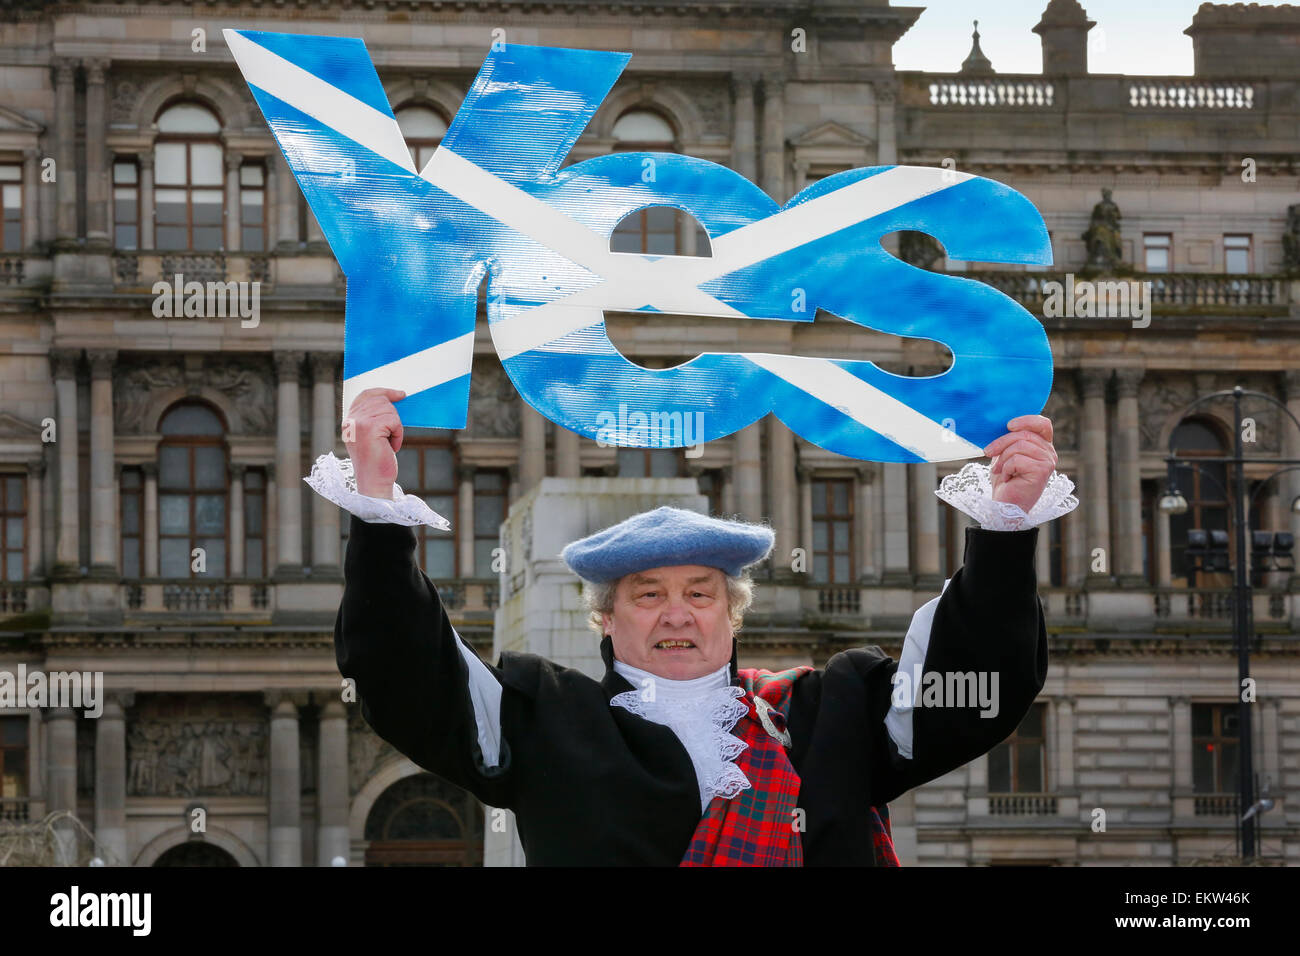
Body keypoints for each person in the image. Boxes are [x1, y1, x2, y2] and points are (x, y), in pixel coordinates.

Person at [308, 388, 1079, 865]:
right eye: (647, 594)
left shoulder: (825, 713)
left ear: (732, 614)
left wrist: (1004, 529)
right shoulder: (543, 717)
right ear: (606, 621)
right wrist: (377, 512)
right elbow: (405, 676)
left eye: (701, 593)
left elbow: (970, 691)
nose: (677, 612)